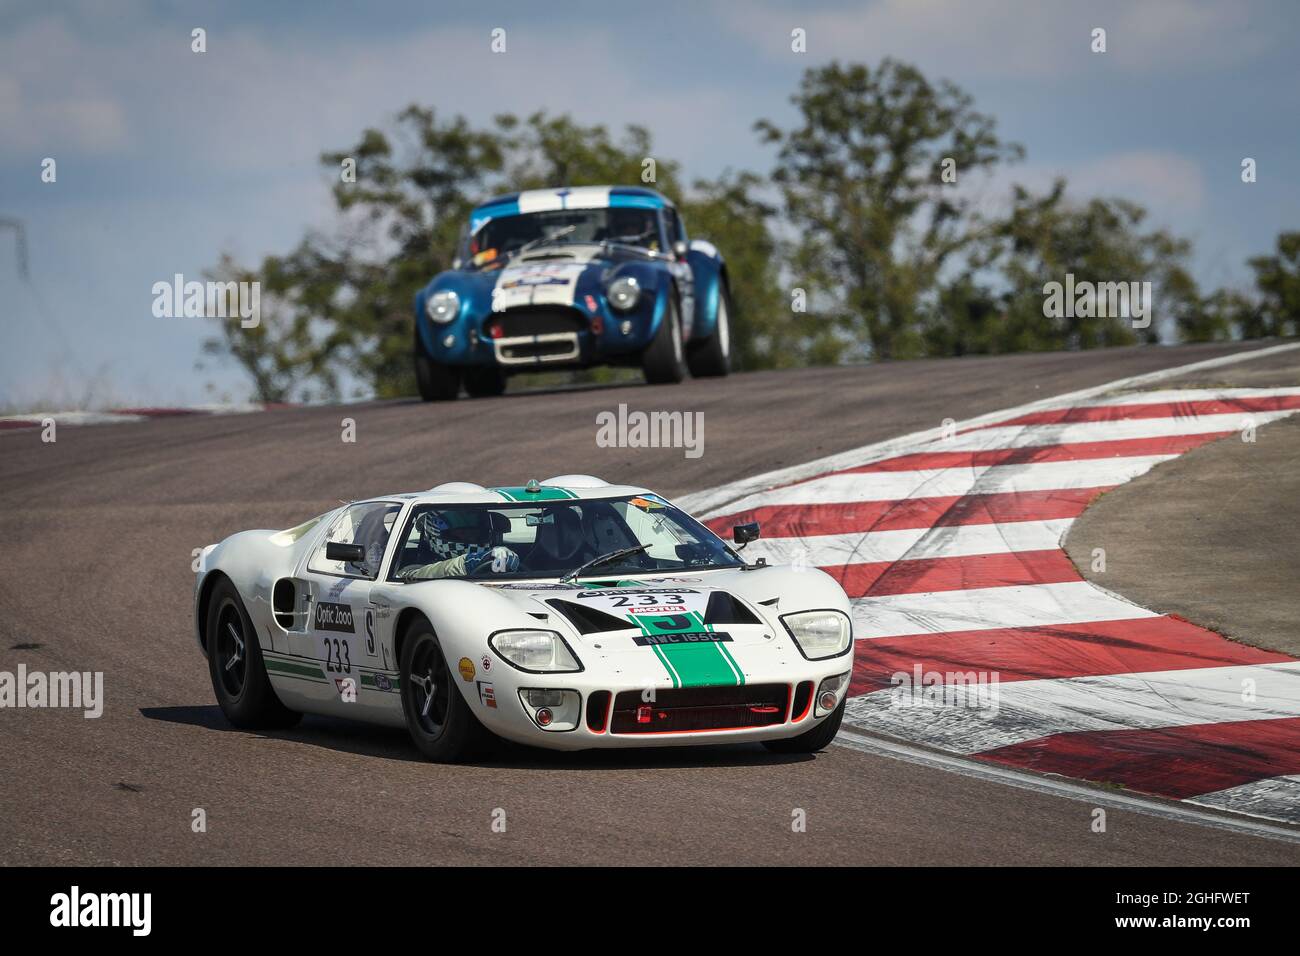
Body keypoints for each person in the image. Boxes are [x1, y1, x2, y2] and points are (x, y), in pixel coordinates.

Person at [396, 509, 519, 580]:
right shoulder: (412, 571)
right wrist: (466, 563)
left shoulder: (498, 559)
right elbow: (419, 575)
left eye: (477, 533)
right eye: (462, 533)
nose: (471, 537)